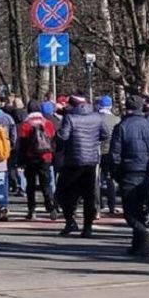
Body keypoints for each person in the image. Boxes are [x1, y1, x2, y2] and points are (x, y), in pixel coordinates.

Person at [109, 94, 149, 256]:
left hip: (129, 170)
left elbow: (115, 154)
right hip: (146, 171)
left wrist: (115, 172)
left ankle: (142, 233)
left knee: (130, 210)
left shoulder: (122, 126)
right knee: (139, 208)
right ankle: (139, 244)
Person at [56, 94, 108, 236]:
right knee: (89, 195)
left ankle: (70, 221)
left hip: (73, 160)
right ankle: (88, 227)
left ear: (72, 105)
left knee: (65, 192)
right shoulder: (97, 117)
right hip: (91, 160)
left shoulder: (70, 118)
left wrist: (58, 135)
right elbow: (105, 134)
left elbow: (63, 136)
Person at [17, 101, 56, 221]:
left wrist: (21, 161)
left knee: (31, 185)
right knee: (46, 183)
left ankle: (32, 210)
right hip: (46, 157)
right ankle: (51, 208)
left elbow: (22, 145)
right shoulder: (48, 123)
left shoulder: (25, 125)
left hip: (30, 158)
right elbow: (53, 140)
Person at [96, 96, 120, 215]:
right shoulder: (117, 120)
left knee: (97, 178)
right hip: (111, 152)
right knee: (110, 179)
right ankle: (112, 205)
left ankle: (98, 203)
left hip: (97, 151)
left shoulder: (95, 118)